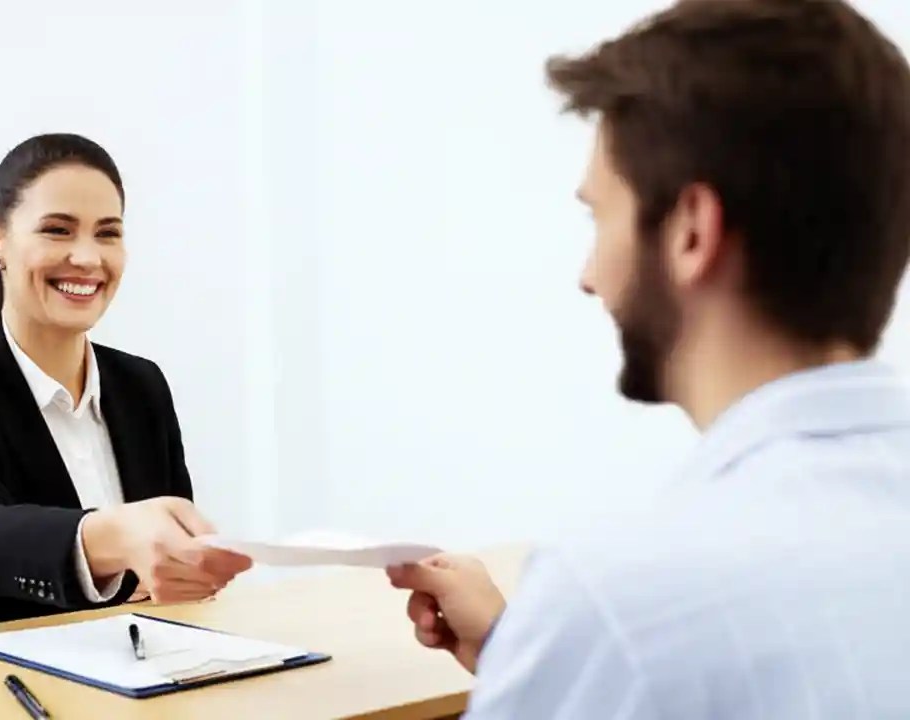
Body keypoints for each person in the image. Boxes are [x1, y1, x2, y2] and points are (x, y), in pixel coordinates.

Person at [389, 0, 910, 716]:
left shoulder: (617, 600)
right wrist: (540, 661)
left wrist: (569, 651)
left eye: (599, 215)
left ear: (691, 231)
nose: (588, 274)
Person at [0, 133, 251, 636]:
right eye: (57, 230)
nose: (87, 258)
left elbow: (160, 574)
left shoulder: (140, 385)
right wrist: (118, 535)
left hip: (130, 670)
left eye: (108, 233)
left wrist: (183, 569)